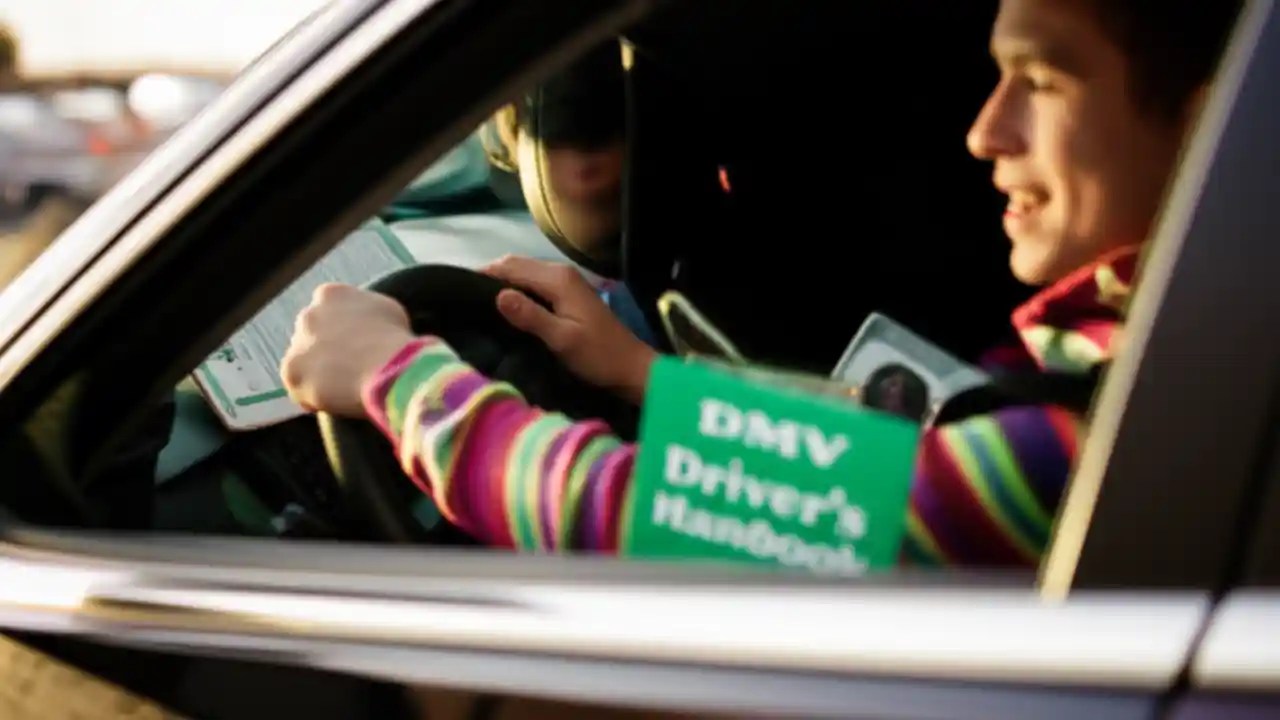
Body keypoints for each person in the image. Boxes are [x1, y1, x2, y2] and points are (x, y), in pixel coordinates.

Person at [281, 0, 1243, 566]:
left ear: (1211, 126)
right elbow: (907, 444)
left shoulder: (1088, 455)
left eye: (1043, 82)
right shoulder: (1168, 378)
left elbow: (625, 508)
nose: (986, 132)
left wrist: (396, 379)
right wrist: (641, 376)